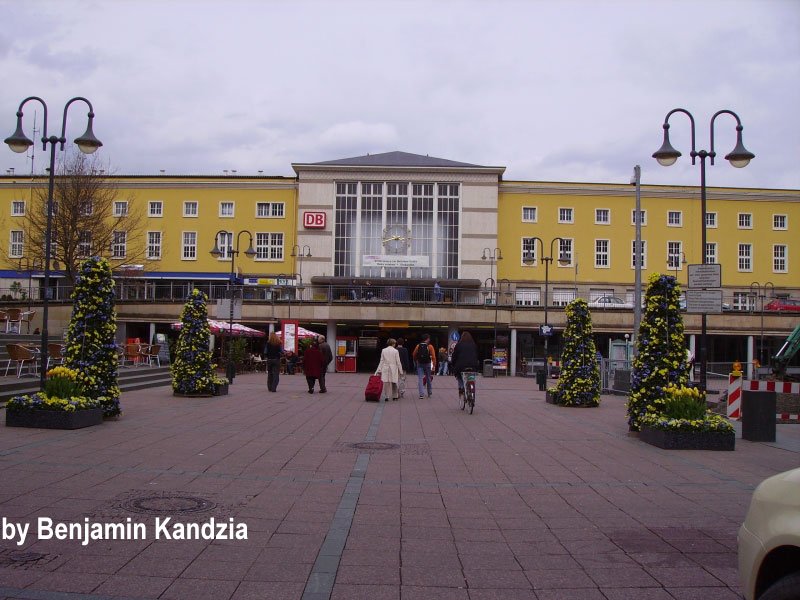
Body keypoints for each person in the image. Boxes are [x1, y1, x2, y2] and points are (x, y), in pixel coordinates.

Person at [450, 331, 480, 399]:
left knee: (459, 376)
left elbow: (454, 356)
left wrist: (453, 364)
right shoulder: (474, 345)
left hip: (461, 366)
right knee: (471, 376)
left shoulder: (459, 345)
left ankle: (461, 388)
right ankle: (471, 388)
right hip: (473, 365)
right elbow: (476, 355)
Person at [412, 333, 437, 399]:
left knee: (420, 378)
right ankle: (429, 392)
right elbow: (433, 357)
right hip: (428, 364)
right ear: (428, 339)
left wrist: (416, 360)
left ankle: (421, 394)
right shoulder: (430, 346)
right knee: (428, 378)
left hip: (419, 363)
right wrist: (434, 365)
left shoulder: (418, 346)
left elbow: (414, 354)